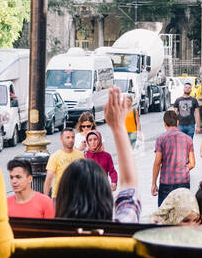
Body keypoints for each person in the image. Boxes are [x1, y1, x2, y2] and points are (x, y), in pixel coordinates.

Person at [54, 87, 141, 224]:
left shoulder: (53, 236)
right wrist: (118, 126)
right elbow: (130, 186)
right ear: (105, 197)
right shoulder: (120, 228)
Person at [152, 109, 195, 206]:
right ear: (178, 122)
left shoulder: (160, 139)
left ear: (164, 123)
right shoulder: (188, 139)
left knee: (165, 216)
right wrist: (183, 169)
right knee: (183, 215)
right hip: (183, 182)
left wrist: (154, 183)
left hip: (166, 182)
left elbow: (157, 163)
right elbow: (192, 164)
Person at [44, 122, 84, 198]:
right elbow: (49, 178)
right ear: (61, 139)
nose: (71, 140)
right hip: (59, 196)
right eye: (68, 137)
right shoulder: (55, 156)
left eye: (73, 137)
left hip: (77, 196)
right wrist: (46, 198)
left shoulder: (80, 155)